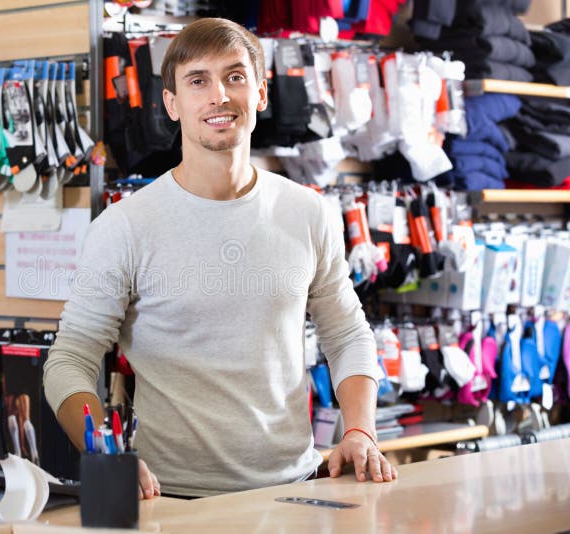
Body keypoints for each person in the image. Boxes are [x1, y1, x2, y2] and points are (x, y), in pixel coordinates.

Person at [44, 17, 397, 499]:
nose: (219, 96)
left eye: (235, 77)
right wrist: (102, 452)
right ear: (170, 104)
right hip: (171, 499)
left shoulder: (308, 211)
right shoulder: (125, 227)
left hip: (296, 490)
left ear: (261, 93)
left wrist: (359, 430)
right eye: (197, 81)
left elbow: (347, 333)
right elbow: (72, 357)